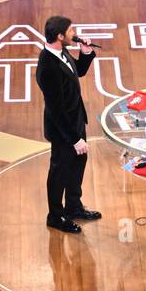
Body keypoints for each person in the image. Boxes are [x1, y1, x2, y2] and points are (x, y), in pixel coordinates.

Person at [35, 15, 100, 234]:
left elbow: (77, 72)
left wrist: (85, 53)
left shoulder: (60, 52)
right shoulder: (47, 67)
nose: (75, 33)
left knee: (77, 165)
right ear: (60, 36)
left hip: (75, 122)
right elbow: (56, 110)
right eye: (71, 31)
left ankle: (74, 206)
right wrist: (74, 139)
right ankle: (55, 216)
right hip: (64, 131)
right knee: (59, 173)